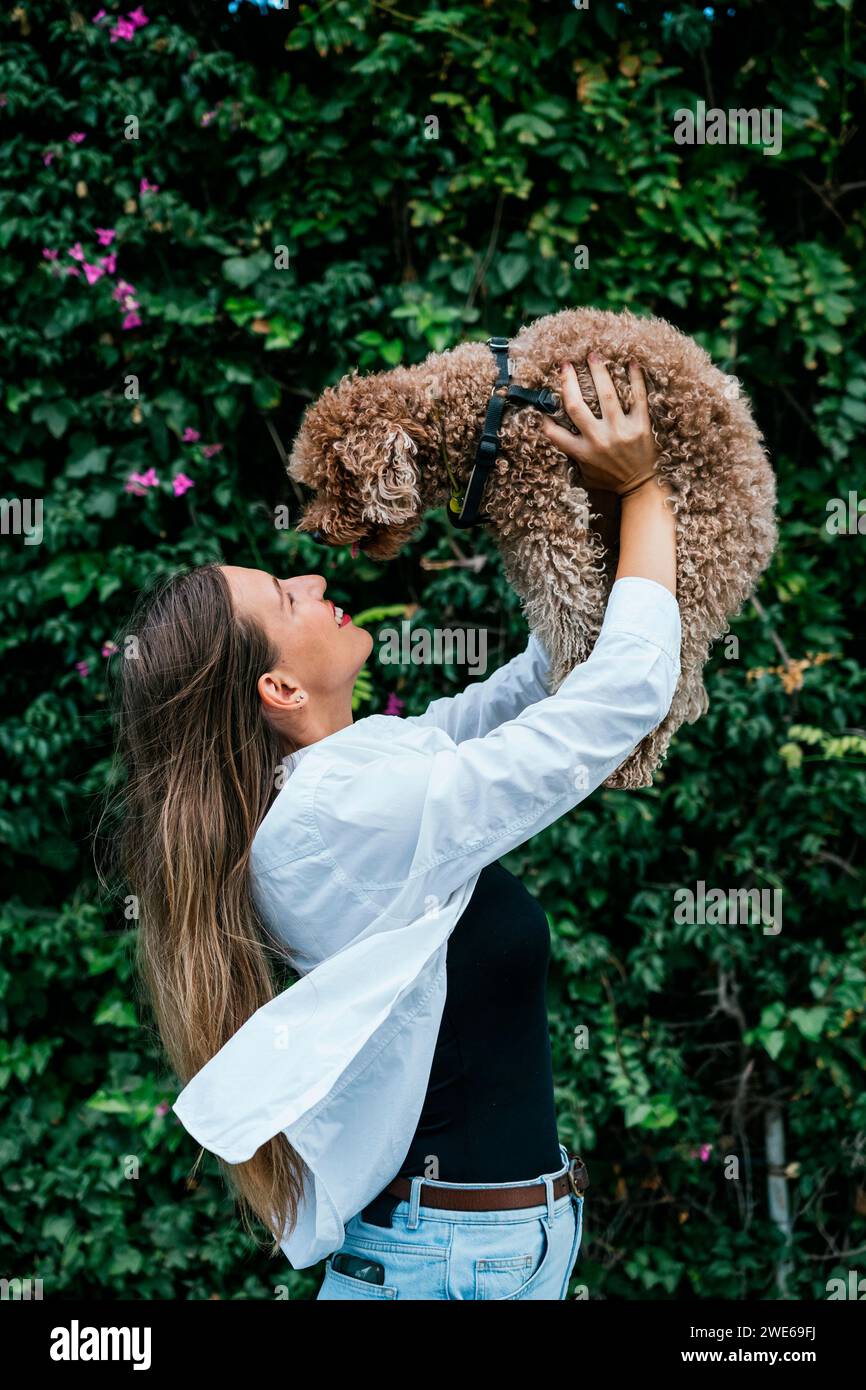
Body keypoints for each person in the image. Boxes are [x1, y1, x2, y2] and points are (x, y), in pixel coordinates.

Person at [109, 355, 680, 1299]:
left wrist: (563, 504)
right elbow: (614, 701)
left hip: (495, 1252)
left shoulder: (351, 771)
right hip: (447, 1268)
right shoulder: (331, 823)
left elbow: (537, 691)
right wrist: (646, 490)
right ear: (278, 688)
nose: (308, 575)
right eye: (284, 598)